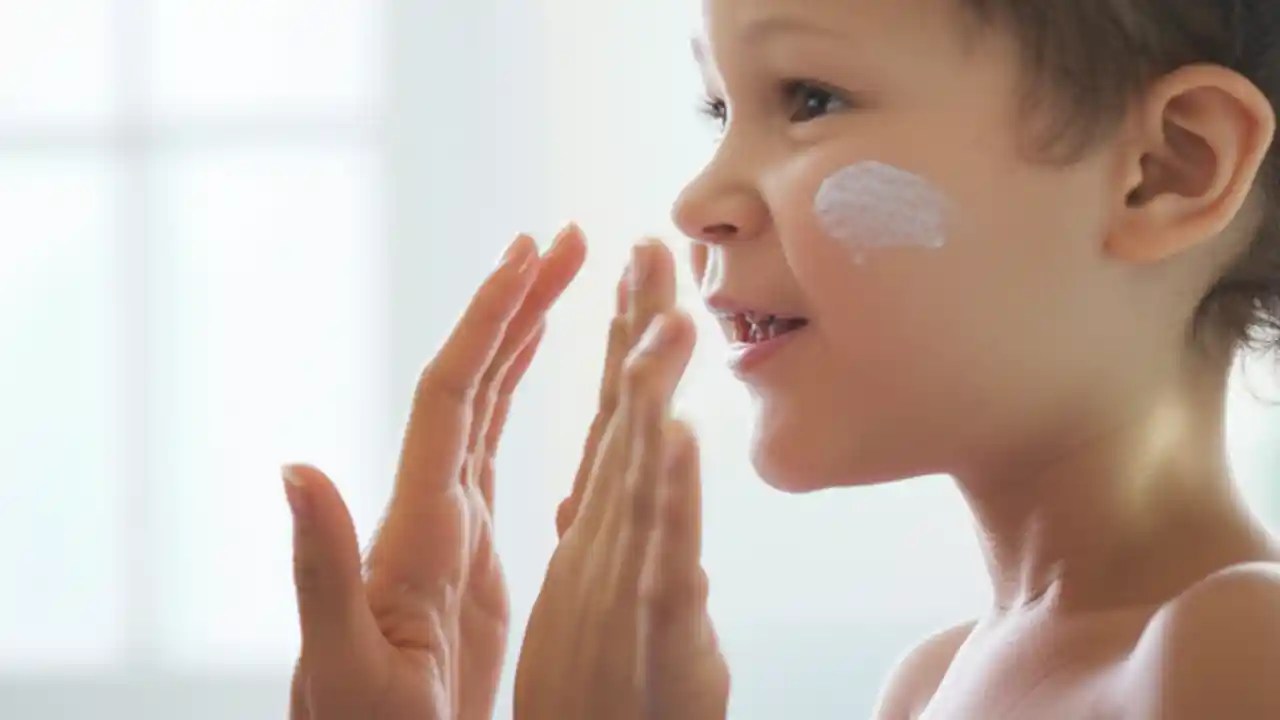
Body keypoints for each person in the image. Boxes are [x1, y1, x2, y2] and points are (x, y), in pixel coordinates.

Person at [279, 0, 1280, 717]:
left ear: (1164, 170)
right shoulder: (928, 685)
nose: (696, 199)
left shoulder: (1239, 649)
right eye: (718, 109)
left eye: (808, 98)